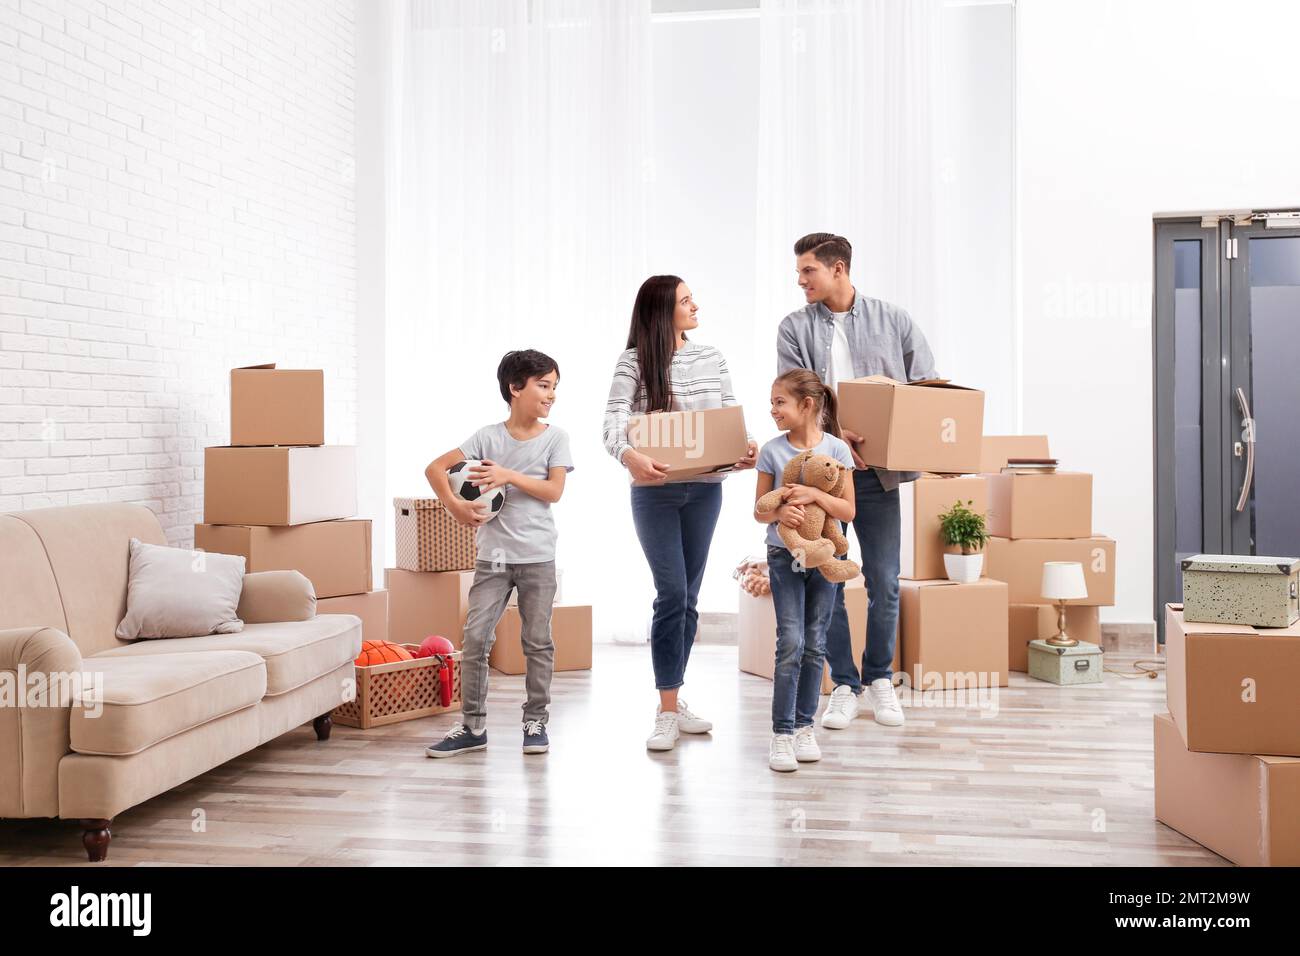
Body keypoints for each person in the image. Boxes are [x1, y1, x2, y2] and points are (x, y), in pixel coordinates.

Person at [777, 233, 937, 730]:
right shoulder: (794, 328)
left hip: (881, 476)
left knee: (885, 581)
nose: (800, 280)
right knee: (832, 576)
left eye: (809, 271)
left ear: (838, 268)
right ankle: (844, 683)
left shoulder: (894, 319)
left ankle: (880, 679)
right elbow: (790, 398)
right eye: (800, 271)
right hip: (824, 475)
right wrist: (838, 437)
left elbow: (928, 386)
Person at [603, 275, 757, 752]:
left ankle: (674, 698)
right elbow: (611, 423)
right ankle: (666, 712)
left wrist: (745, 450)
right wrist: (630, 456)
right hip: (656, 492)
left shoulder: (711, 357)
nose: (696, 306)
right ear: (661, 310)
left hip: (707, 489)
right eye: (686, 301)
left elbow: (728, 415)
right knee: (671, 593)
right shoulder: (633, 361)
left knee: (688, 598)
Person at [423, 349, 573, 757]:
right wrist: (456, 507)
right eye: (543, 385)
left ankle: (535, 721)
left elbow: (554, 492)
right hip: (493, 559)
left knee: (537, 641)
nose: (551, 394)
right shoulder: (486, 437)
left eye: (554, 387)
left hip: (538, 557)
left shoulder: (555, 438)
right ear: (514, 388)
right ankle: (473, 727)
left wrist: (507, 475)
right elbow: (435, 469)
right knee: (475, 638)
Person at [754, 370, 855, 772]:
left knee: (815, 642)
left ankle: (803, 727)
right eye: (773, 401)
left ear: (807, 405)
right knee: (791, 640)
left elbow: (847, 511)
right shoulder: (771, 451)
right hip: (785, 555)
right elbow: (760, 509)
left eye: (780, 401)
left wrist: (814, 494)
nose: (773, 409)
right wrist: (781, 510)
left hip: (824, 555)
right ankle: (781, 734)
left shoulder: (838, 451)